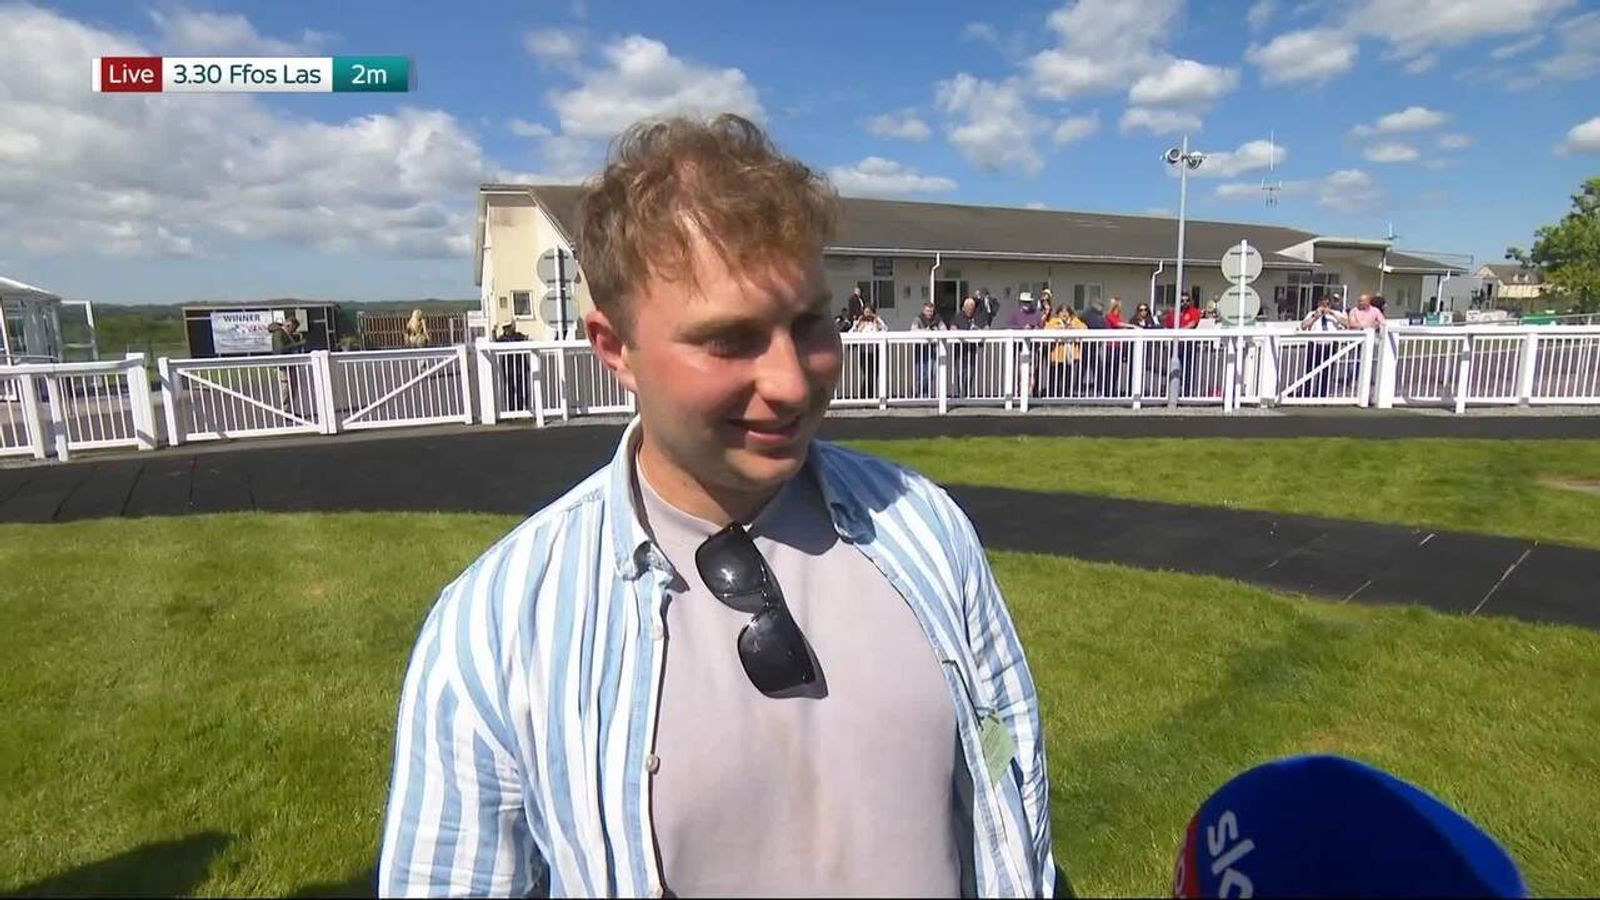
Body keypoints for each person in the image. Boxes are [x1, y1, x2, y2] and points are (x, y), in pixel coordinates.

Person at [379, 114, 1056, 899]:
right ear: (614, 348)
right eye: (730, 341)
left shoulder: (926, 531)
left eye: (809, 324)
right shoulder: (496, 625)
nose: (793, 384)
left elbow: (1016, 805)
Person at [1299, 293, 1350, 397]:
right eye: (1322, 304)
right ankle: (1306, 392)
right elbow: (1304, 326)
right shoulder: (1312, 313)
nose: (1324, 307)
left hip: (1329, 345)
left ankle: (1322, 394)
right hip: (1315, 344)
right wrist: (1315, 316)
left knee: (1327, 371)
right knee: (1310, 369)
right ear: (1318, 304)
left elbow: (1347, 323)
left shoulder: (1336, 314)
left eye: (1327, 304)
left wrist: (1331, 313)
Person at [909, 299, 947, 399]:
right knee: (921, 373)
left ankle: (921, 392)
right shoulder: (918, 319)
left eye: (931, 311)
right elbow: (913, 330)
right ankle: (920, 394)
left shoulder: (937, 319)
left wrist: (936, 330)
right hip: (921, 349)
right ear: (923, 310)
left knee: (932, 373)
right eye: (927, 311)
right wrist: (925, 331)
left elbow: (944, 329)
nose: (929, 313)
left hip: (933, 349)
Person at [848, 304, 887, 398]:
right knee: (868, 374)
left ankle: (870, 395)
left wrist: (877, 319)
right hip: (864, 352)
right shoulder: (860, 322)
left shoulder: (876, 322)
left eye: (869, 312)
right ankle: (864, 395)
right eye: (866, 312)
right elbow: (850, 333)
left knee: (874, 374)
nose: (868, 315)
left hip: (875, 351)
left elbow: (885, 329)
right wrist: (857, 325)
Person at [951, 295, 987, 398]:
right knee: (960, 373)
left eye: (972, 308)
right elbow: (952, 328)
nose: (970, 310)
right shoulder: (958, 316)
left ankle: (966, 395)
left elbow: (986, 328)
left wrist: (979, 332)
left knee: (970, 374)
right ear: (964, 307)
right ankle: (961, 396)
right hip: (960, 351)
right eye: (968, 308)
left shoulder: (977, 317)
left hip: (972, 350)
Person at [494, 321, 530, 412]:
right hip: (509, 368)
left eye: (510, 327)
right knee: (510, 389)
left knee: (522, 389)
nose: (509, 329)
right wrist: (493, 332)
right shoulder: (502, 339)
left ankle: (522, 409)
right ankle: (511, 410)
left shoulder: (518, 335)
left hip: (520, 367)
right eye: (507, 327)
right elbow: (495, 343)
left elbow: (526, 339)